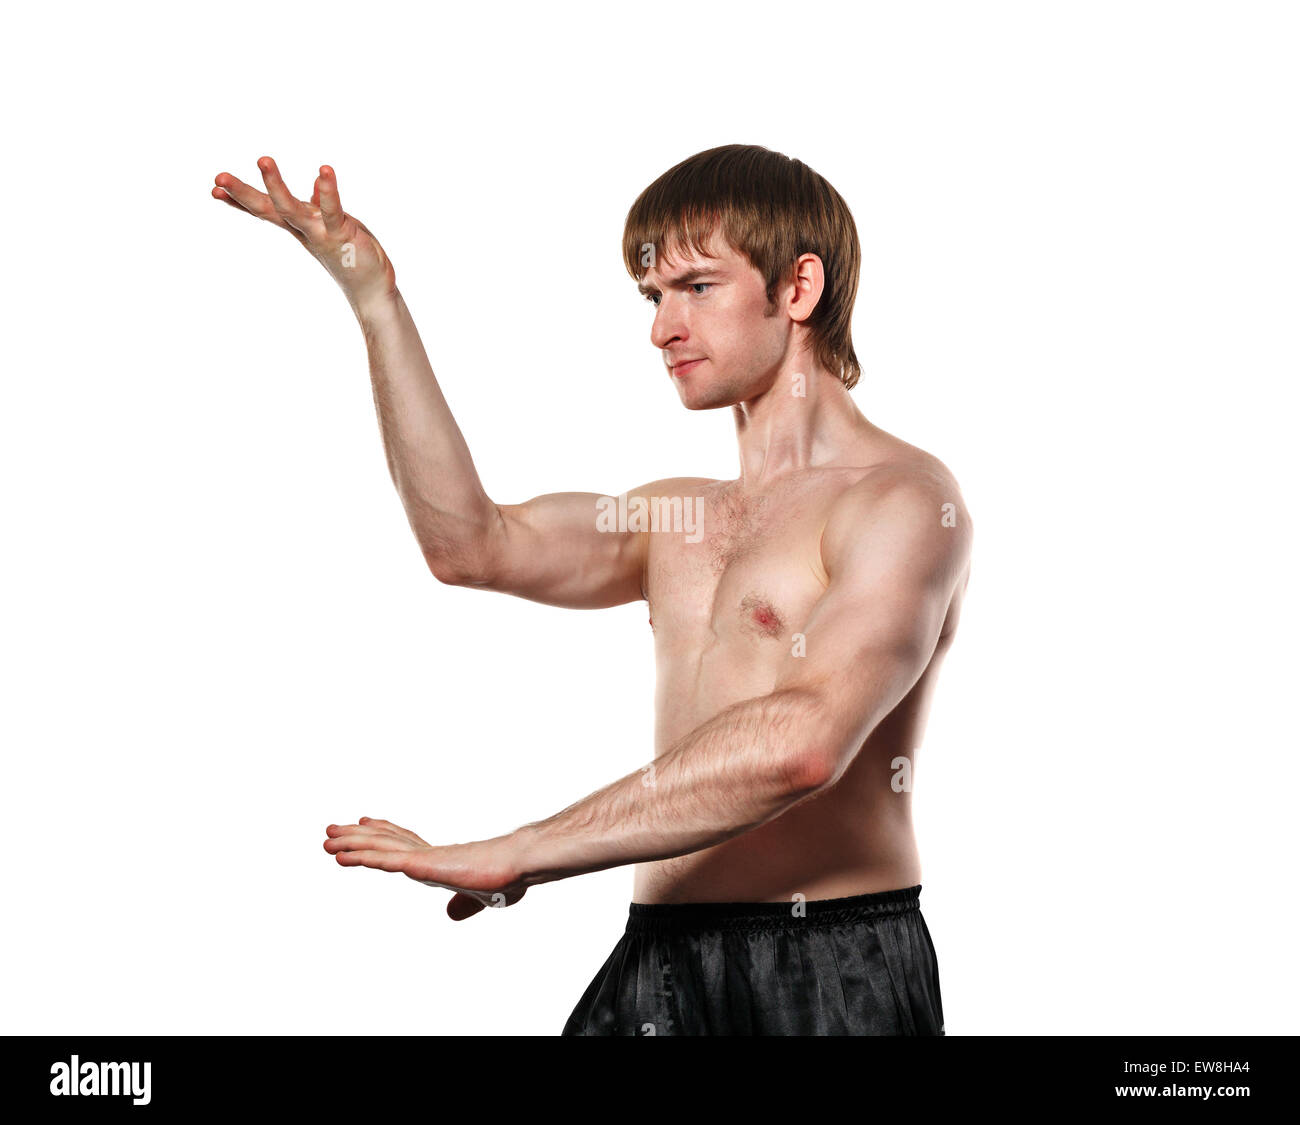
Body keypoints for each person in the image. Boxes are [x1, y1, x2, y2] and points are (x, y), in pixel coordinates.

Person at [211, 143, 973, 1035]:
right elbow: (470, 543)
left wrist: (524, 850)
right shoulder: (674, 519)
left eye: (697, 287)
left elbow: (802, 744)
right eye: (654, 296)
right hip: (659, 957)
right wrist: (374, 297)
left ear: (798, 288)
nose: (661, 328)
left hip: (830, 968)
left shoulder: (904, 500)